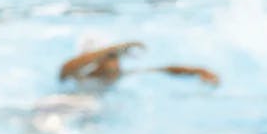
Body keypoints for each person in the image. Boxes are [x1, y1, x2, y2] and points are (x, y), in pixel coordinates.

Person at [57, 41, 220, 88]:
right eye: (111, 57)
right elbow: (64, 71)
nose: (115, 63)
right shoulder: (84, 76)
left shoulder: (119, 73)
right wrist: (110, 50)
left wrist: (199, 71)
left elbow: (165, 69)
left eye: (117, 58)